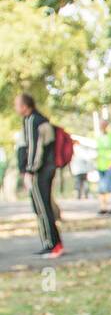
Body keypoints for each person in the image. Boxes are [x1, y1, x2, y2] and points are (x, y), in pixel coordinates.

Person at [14, 93, 62, 257]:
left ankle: (53, 244)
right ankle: (51, 243)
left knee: (42, 207)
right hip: (45, 169)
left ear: (25, 106)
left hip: (41, 171)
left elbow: (35, 148)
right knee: (41, 207)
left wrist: (29, 169)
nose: (15, 108)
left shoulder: (33, 120)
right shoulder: (37, 120)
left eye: (17, 104)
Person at [96, 118, 111, 216]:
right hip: (101, 166)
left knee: (110, 188)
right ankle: (103, 207)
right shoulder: (99, 138)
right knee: (101, 188)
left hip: (110, 166)